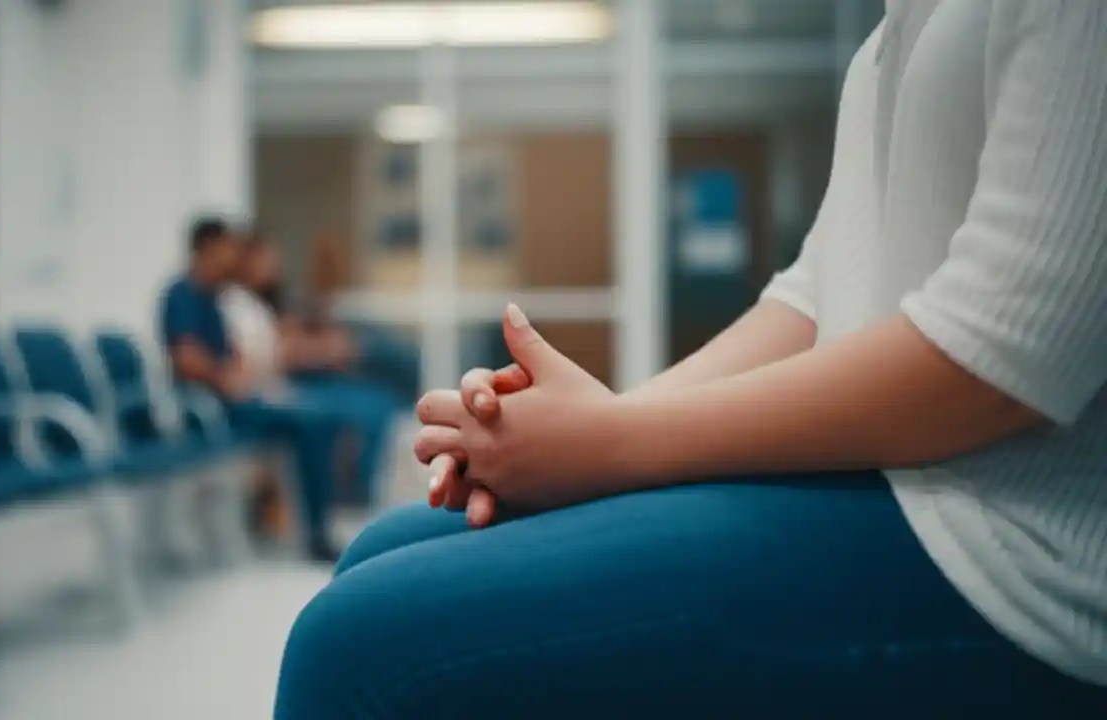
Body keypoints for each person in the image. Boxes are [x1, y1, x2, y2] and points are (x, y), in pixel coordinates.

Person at [276, 3, 1107, 717]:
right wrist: (600, 428)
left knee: (351, 647)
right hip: (905, 491)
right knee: (386, 550)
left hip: (1019, 563)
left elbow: (1001, 354)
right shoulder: (895, 28)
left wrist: (612, 445)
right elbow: (814, 297)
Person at [158, 217, 343, 561]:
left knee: (318, 417)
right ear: (206, 249)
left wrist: (243, 371)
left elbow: (233, 354)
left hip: (236, 400)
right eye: (226, 249)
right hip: (208, 408)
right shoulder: (181, 294)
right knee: (310, 422)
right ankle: (314, 533)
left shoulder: (214, 299)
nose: (232, 258)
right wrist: (224, 376)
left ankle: (310, 526)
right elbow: (186, 358)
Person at [222, 229, 400, 506]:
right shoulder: (237, 305)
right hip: (292, 386)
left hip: (304, 381)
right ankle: (340, 502)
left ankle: (357, 496)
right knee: (327, 418)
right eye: (266, 259)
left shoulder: (276, 299)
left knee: (380, 402)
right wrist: (316, 351)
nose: (273, 266)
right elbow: (277, 357)